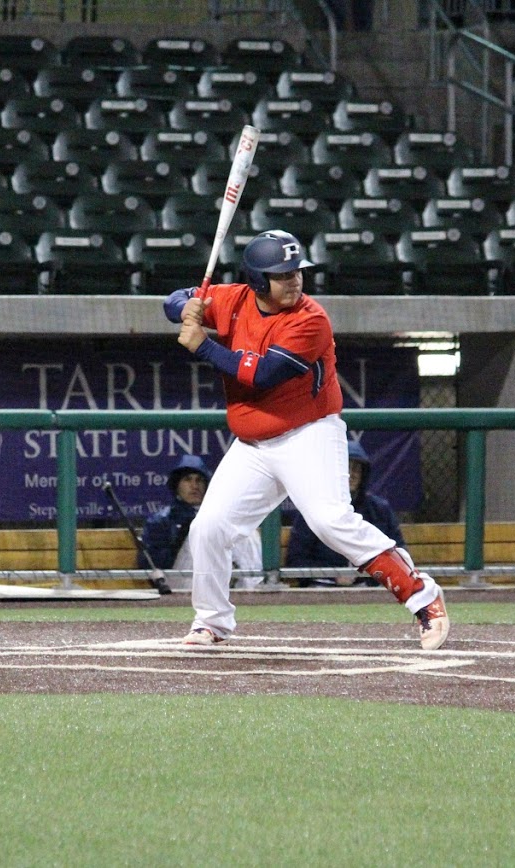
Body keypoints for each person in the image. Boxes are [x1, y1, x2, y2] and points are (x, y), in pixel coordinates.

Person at [163, 229, 449, 648]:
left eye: (297, 271)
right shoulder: (229, 299)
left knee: (330, 521)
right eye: (283, 274)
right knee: (207, 527)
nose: (295, 280)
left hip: (308, 434)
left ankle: (423, 596)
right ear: (258, 281)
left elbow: (261, 375)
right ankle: (211, 621)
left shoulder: (310, 319)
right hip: (254, 445)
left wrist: (203, 346)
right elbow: (170, 301)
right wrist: (183, 306)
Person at [286, 439, 406, 586]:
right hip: (323, 586)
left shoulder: (379, 509)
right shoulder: (314, 507)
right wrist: (333, 575)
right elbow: (296, 559)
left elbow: (398, 552)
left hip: (370, 585)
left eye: (356, 468)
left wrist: (367, 574)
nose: (351, 475)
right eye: (345, 468)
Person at [140, 454, 262, 589]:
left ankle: (253, 588)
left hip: (219, 575)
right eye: (187, 480)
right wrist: (179, 536)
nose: (194, 486)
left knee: (246, 531)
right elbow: (148, 563)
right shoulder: (163, 519)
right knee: (200, 530)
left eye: (199, 480)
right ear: (177, 485)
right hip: (180, 581)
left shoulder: (218, 513)